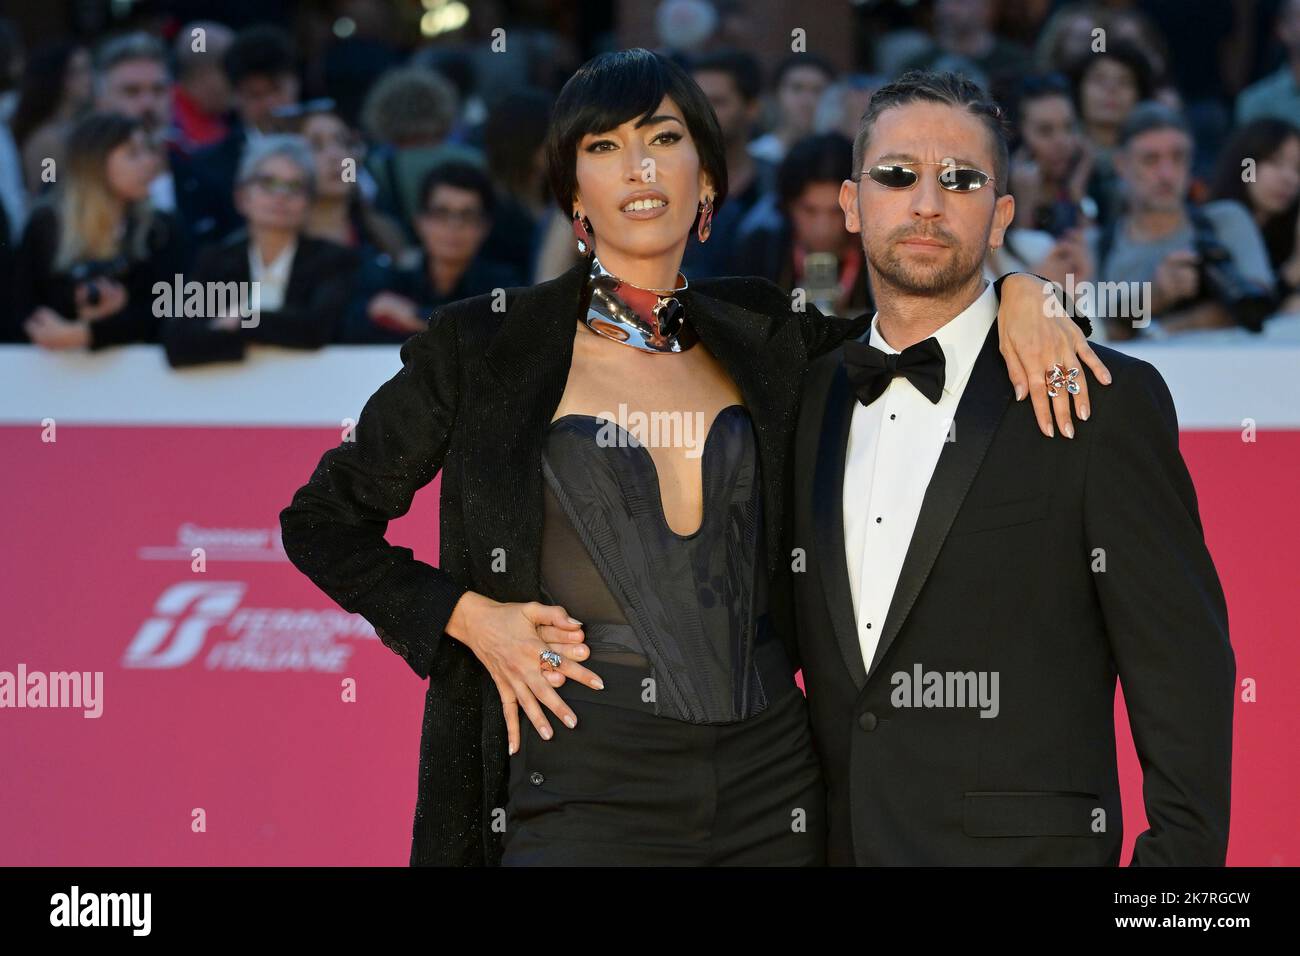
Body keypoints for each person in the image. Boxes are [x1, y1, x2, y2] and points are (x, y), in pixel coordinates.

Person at [278, 49, 1100, 868]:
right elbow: (321, 522)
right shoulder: (483, 345)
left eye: (663, 139)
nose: (638, 167)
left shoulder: (765, 332)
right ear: (573, 195)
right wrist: (468, 617)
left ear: (706, 178)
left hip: (773, 787)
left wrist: (1022, 292)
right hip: (580, 785)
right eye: (602, 147)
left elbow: (912, 332)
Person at [785, 69, 1233, 866]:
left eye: (960, 180)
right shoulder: (806, 392)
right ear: (851, 203)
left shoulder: (1100, 398)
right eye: (897, 176)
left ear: (1000, 217)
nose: (927, 202)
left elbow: (1185, 675)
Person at [160, 134, 358, 366]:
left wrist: (241, 321)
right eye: (268, 183)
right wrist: (257, 336)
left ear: (309, 203)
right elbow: (178, 341)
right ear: (242, 197)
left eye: (295, 186)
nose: (281, 196)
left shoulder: (333, 260)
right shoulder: (216, 260)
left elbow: (315, 329)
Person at [1093, 102, 1276, 337]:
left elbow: (1258, 304)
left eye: (1178, 158)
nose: (1167, 174)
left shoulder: (1225, 221)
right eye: (1151, 160)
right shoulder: (1096, 246)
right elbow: (1093, 335)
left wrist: (1165, 328)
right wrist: (1155, 295)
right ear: (1121, 165)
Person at [12, 111, 181, 350]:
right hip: (49, 375)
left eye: (149, 151)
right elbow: (19, 310)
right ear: (95, 163)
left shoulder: (161, 228)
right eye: (133, 154)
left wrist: (96, 330)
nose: (151, 162)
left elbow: (171, 311)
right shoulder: (46, 225)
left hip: (138, 378)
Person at [341, 160, 520, 344]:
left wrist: (414, 316)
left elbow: (501, 333)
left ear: (485, 227)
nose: (454, 226)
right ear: (420, 222)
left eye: (467, 215)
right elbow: (352, 326)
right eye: (441, 213)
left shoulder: (502, 285)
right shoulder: (393, 281)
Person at [1209, 118, 1300, 313]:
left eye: (1297, 168)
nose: (1289, 178)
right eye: (1275, 162)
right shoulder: (1213, 226)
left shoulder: (1289, 232)